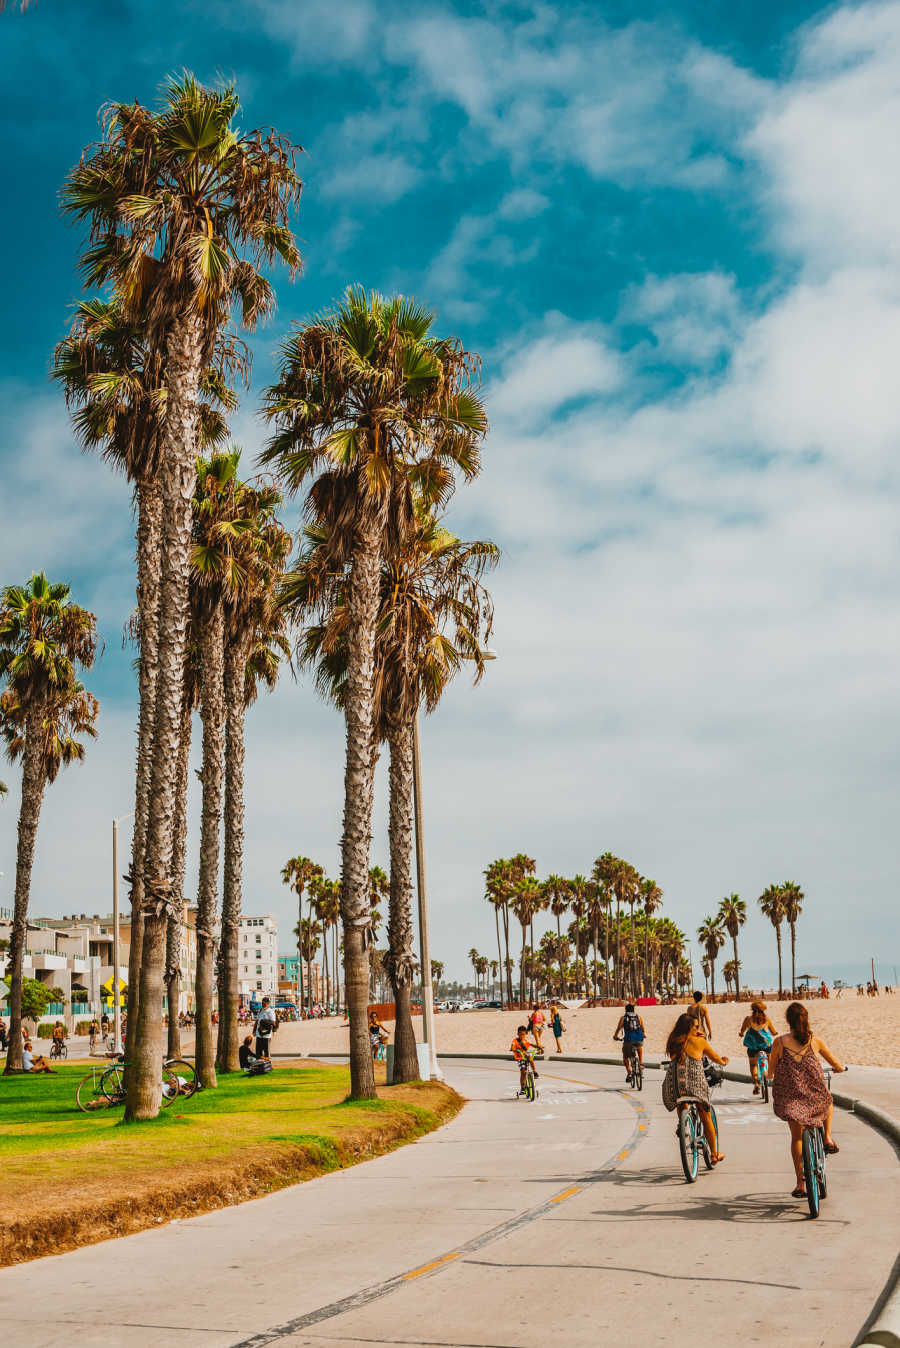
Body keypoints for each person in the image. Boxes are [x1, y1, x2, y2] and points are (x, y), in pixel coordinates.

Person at [768, 1002, 845, 1198]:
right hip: (814, 1096)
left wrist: (770, 1075)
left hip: (790, 1099)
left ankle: (800, 1184)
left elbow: (770, 1070)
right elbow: (834, 1063)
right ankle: (827, 1137)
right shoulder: (815, 1041)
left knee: (796, 1138)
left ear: (788, 1021)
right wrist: (839, 1068)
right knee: (828, 1101)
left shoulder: (779, 1042)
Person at [662, 1012, 729, 1163]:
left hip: (675, 1085)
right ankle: (714, 1154)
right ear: (690, 1027)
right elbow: (715, 1058)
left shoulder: (673, 1040)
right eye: (696, 1026)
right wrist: (723, 1061)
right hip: (695, 1085)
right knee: (705, 1115)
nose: (698, 1028)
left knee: (681, 1100)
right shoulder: (699, 1042)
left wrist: (696, 1034)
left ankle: (682, 1122)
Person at [738, 1000, 777, 1094]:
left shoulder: (748, 1019)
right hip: (766, 1046)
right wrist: (775, 1033)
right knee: (770, 1059)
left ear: (752, 1009)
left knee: (753, 1064)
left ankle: (756, 1084)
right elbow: (773, 1031)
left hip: (753, 1047)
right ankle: (769, 1075)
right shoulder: (766, 1020)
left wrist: (741, 1034)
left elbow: (742, 1030)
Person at [613, 1003, 646, 1083]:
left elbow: (618, 1028)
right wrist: (644, 1034)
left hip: (628, 1039)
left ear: (626, 1010)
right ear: (633, 1010)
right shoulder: (639, 1017)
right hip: (639, 1038)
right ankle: (641, 1063)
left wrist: (615, 1036)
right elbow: (642, 1028)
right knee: (639, 1046)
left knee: (625, 1057)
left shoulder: (623, 1018)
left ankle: (629, 1073)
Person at [510, 1024, 540, 1092]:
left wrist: (538, 1047)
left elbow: (531, 1044)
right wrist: (513, 1049)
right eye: (520, 1034)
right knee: (523, 1071)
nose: (522, 1036)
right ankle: (522, 1087)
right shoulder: (515, 1041)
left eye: (523, 1034)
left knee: (530, 1058)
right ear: (518, 1034)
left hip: (525, 1056)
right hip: (519, 1057)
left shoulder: (525, 1041)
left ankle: (534, 1071)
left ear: (525, 1034)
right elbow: (512, 1046)